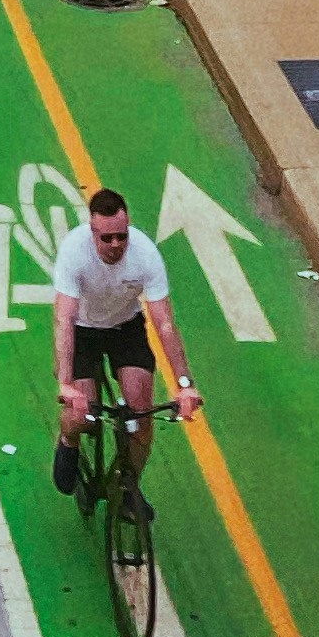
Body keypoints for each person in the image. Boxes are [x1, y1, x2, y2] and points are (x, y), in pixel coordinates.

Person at [50, 187, 199, 512]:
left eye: (122, 236)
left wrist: (185, 384)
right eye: (107, 239)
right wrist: (64, 382)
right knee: (83, 415)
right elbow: (64, 319)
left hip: (125, 329)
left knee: (141, 414)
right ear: (93, 233)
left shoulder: (145, 255)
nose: (116, 245)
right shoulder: (74, 253)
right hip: (84, 331)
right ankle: (68, 440)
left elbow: (165, 324)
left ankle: (127, 486)